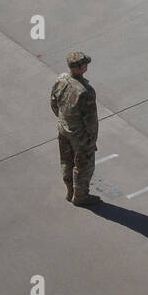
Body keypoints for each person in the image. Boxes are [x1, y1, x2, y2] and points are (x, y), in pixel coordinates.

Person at [51, 52, 100, 207]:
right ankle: (80, 196)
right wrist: (92, 140)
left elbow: (54, 104)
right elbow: (90, 121)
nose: (87, 66)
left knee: (66, 161)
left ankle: (69, 191)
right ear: (80, 68)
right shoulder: (85, 92)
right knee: (83, 166)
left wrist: (64, 120)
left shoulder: (60, 80)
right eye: (85, 64)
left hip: (63, 130)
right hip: (80, 137)